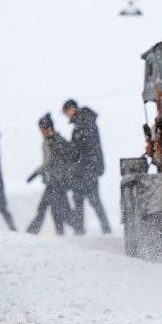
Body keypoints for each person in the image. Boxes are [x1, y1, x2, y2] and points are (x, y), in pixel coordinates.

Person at [63, 99, 110, 234]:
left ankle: (105, 229)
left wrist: (80, 162)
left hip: (88, 168)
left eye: (66, 111)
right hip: (83, 169)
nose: (67, 115)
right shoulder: (82, 122)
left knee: (93, 200)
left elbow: (87, 148)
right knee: (79, 199)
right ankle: (80, 229)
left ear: (72, 109)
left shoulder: (85, 122)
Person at [26, 113, 76, 235]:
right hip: (54, 181)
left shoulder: (57, 141)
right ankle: (65, 231)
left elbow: (49, 162)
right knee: (58, 210)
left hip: (58, 181)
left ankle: (32, 232)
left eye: (42, 130)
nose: (41, 132)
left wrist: (36, 173)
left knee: (45, 207)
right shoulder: (49, 141)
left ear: (49, 128)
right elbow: (49, 163)